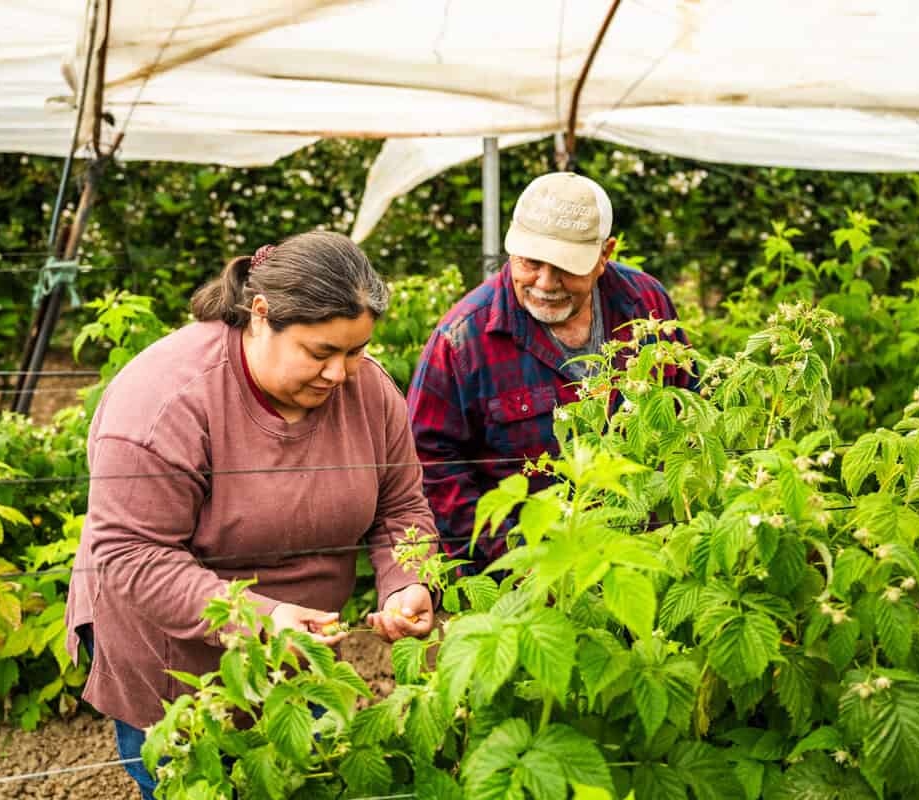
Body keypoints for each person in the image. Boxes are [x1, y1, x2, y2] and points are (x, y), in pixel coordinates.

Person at [64, 231, 437, 799]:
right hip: (176, 659)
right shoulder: (164, 401)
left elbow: (401, 505)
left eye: (355, 351)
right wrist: (261, 622)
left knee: (297, 782)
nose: (341, 374)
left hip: (304, 648)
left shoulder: (367, 391)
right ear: (260, 315)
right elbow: (131, 557)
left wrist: (406, 583)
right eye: (320, 353)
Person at [407, 172, 693, 573]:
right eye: (531, 262)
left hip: (638, 560)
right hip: (525, 574)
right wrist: (514, 562)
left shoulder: (645, 303)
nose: (545, 283)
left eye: (565, 267)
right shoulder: (464, 339)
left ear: (604, 255)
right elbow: (432, 467)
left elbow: (687, 408)